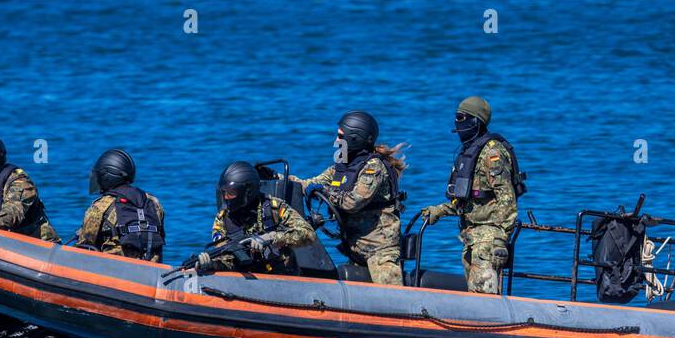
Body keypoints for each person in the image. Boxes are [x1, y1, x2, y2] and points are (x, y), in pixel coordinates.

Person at [417, 97, 526, 293]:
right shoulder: (469, 153)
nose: (456, 123)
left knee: (484, 296)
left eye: (460, 117)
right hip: (470, 237)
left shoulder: (492, 153)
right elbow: (469, 200)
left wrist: (501, 239)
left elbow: (506, 198)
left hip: (489, 237)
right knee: (474, 294)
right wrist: (440, 210)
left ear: (475, 121)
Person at [289, 111, 406, 285]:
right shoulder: (342, 168)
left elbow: (352, 202)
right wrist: (281, 179)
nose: (336, 141)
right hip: (355, 248)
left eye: (340, 136)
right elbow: (309, 184)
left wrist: (325, 191)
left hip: (380, 250)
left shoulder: (373, 168)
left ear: (354, 138)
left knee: (391, 298)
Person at [195, 161, 318, 274]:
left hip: (283, 275)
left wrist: (271, 238)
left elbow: (308, 234)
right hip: (246, 277)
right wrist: (212, 263)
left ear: (247, 191)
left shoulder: (274, 208)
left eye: (231, 193)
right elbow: (226, 256)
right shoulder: (223, 219)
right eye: (223, 192)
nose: (226, 197)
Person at [71, 149, 165, 261]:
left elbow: (83, 247)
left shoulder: (100, 206)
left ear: (107, 177)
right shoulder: (153, 203)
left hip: (116, 269)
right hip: (152, 269)